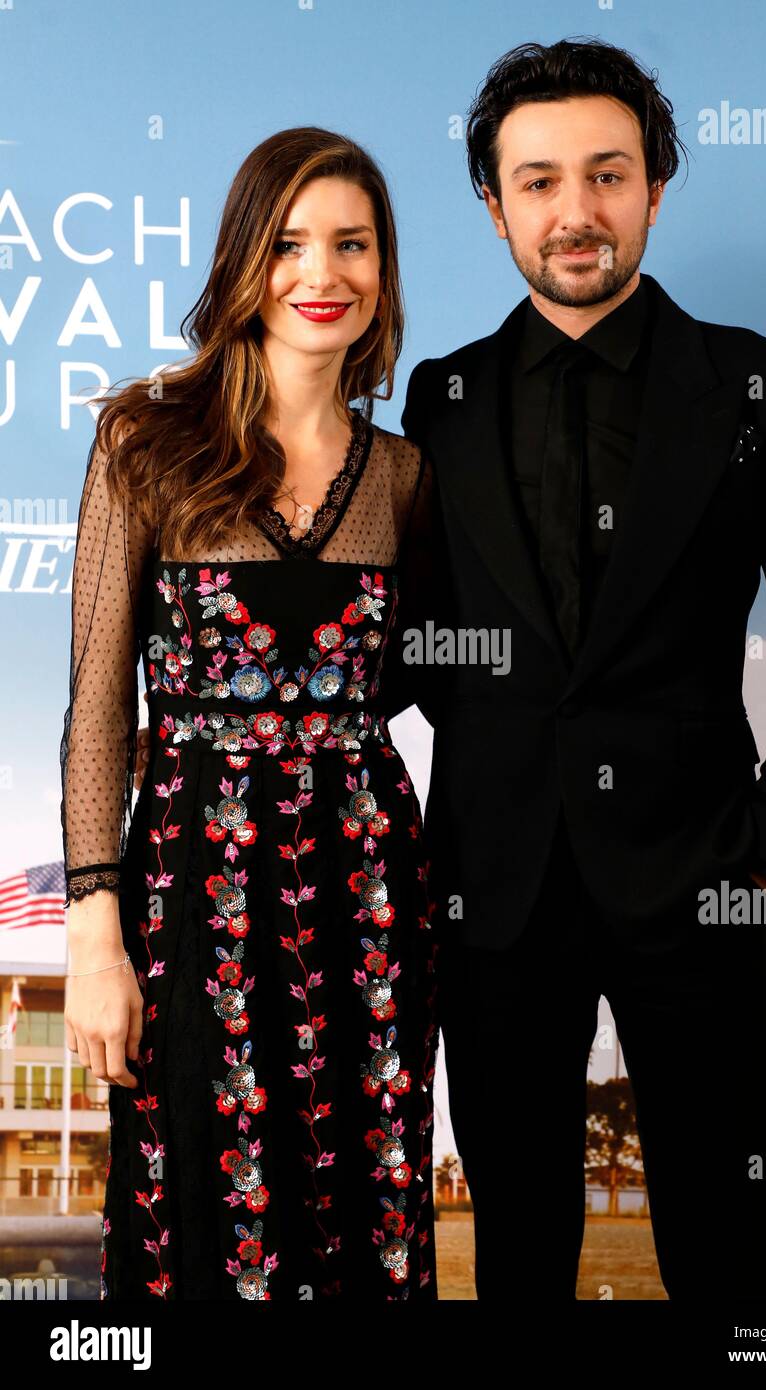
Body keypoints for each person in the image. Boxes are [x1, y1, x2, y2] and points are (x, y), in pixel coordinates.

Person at [397, 40, 766, 1300]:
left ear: (654, 188)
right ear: (494, 207)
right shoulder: (436, 399)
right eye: (539, 180)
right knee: (517, 1256)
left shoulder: (762, 383)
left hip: (702, 877)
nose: (576, 210)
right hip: (492, 891)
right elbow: (419, 639)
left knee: (724, 1255)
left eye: (607, 175)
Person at [60, 127, 440, 1301]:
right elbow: (96, 706)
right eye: (287, 244)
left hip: (366, 888)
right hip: (188, 896)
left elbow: (441, 682)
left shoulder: (410, 476)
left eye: (352, 245)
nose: (320, 273)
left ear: (382, 272)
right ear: (240, 262)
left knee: (364, 1212)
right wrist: (92, 931)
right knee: (194, 1224)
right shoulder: (144, 441)